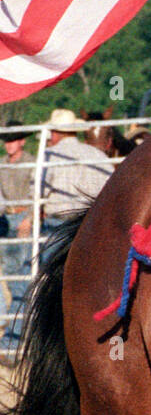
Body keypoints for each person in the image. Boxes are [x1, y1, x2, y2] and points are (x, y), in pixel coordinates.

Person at [35, 109, 115, 233]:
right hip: (91, 223)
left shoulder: (49, 155)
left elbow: (38, 191)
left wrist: (33, 216)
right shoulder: (98, 155)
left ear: (54, 133)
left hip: (58, 223)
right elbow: (111, 188)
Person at [0, 131, 34, 348]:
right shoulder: (1, 163)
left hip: (22, 216)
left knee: (20, 273)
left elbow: (37, 191)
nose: (9, 145)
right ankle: (11, 325)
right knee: (8, 273)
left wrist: (29, 217)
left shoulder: (31, 162)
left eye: (13, 140)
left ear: (21, 141)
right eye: (6, 141)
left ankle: (15, 333)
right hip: (6, 216)